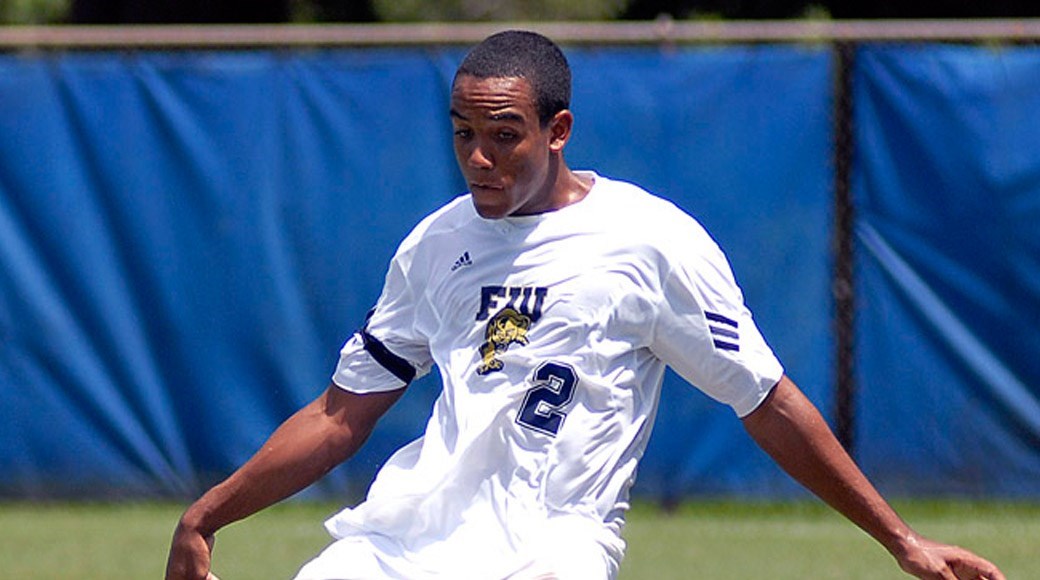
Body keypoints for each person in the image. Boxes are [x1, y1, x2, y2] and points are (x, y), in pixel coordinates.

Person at [166, 30, 1004, 580]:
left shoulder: (650, 241)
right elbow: (342, 415)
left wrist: (903, 542)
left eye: (503, 134)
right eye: (463, 133)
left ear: (557, 129)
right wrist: (209, 515)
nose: (479, 157)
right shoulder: (434, 246)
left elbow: (767, 401)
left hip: (553, 550)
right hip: (404, 541)